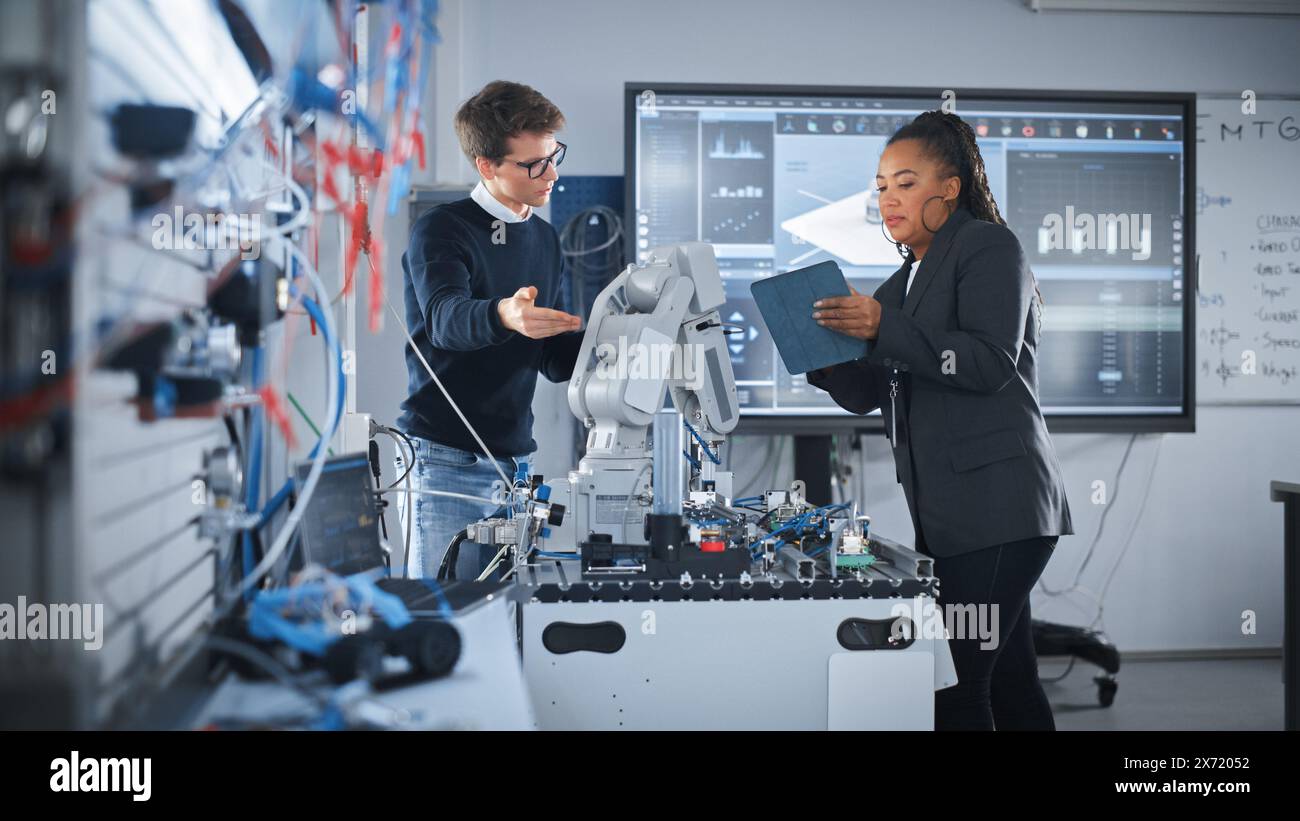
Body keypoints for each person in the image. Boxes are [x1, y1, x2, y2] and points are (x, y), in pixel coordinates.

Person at [806, 109, 1074, 730]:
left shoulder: (986, 246)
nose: (887, 199)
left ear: (949, 188)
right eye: (879, 187)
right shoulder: (902, 283)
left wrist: (882, 328)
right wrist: (818, 353)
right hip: (952, 514)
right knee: (1009, 682)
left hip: (998, 508)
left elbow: (987, 363)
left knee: (952, 687)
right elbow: (865, 391)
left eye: (905, 182)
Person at [395, 80, 583, 581]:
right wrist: (504, 314)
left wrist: (611, 344)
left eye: (553, 155)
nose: (552, 173)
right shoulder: (442, 229)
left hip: (515, 465)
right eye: (533, 164)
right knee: (445, 617)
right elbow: (445, 320)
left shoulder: (543, 237)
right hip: (446, 462)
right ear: (487, 166)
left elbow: (553, 358)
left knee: (505, 622)